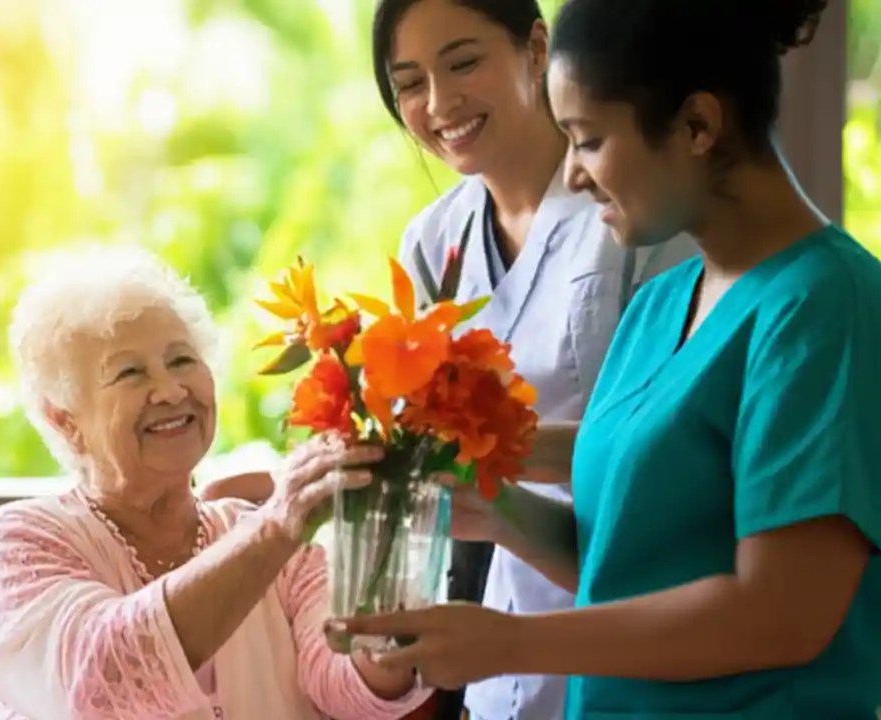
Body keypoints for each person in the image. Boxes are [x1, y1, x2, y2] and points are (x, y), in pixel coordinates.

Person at [333, 0, 881, 717]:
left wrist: (511, 645)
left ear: (697, 127)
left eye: (588, 141)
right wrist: (494, 507)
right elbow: (621, 564)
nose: (578, 179)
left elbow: (781, 614)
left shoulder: (819, 305)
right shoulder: (663, 306)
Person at [204, 2, 695, 718]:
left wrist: (485, 453)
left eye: (464, 63)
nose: (439, 104)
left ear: (535, 49)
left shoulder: (636, 216)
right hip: (493, 636)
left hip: (640, 610)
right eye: (409, 83)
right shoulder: (436, 242)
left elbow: (678, 445)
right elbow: (420, 437)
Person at [0, 245, 432, 719]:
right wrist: (275, 525)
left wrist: (385, 634)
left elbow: (349, 686)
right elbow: (103, 682)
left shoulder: (286, 557)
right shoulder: (22, 541)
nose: (169, 390)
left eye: (182, 361)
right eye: (130, 372)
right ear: (65, 420)